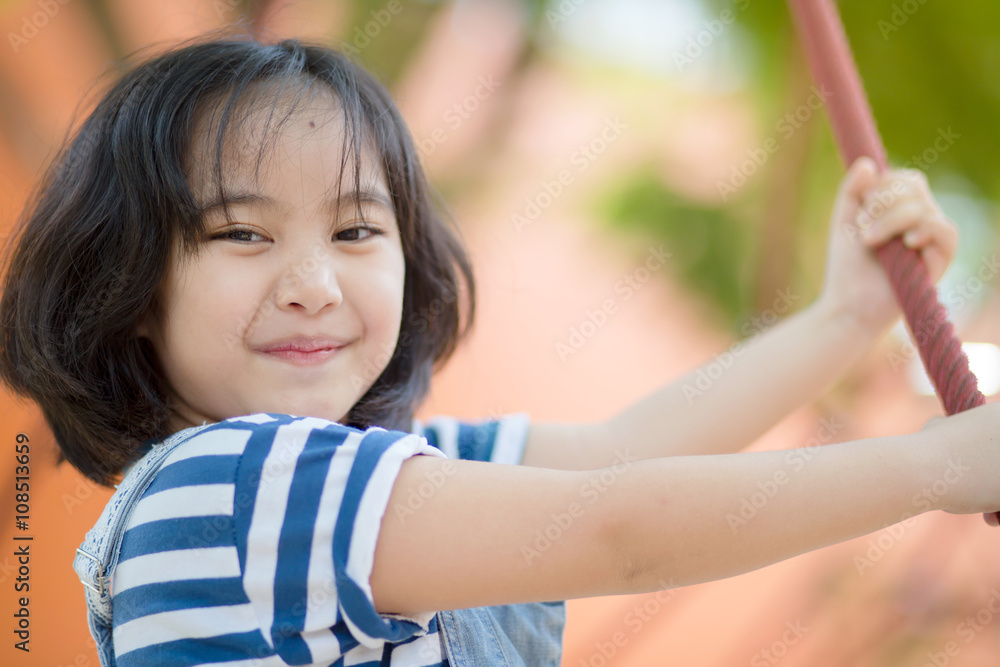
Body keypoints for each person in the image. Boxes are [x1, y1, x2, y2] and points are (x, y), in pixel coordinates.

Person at [0, 32, 997, 667]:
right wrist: (937, 465)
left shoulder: (359, 481)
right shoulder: (235, 481)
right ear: (129, 286)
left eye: (354, 232)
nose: (314, 280)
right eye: (242, 234)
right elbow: (616, 527)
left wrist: (843, 317)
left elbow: (617, 460)